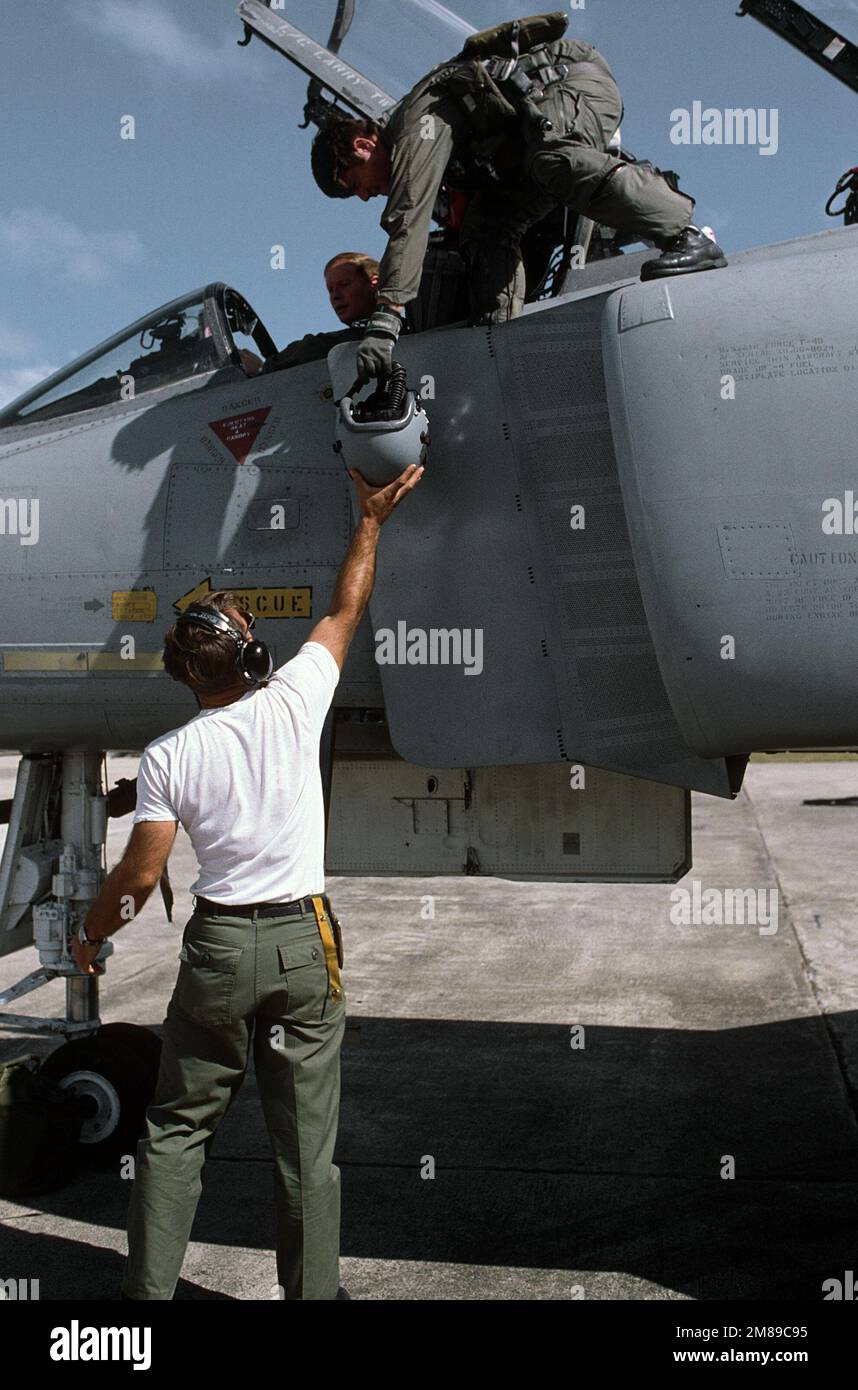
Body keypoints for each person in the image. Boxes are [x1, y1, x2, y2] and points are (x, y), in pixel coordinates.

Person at [70, 458, 425, 1300]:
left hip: (221, 949)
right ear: (253, 654)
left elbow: (141, 875)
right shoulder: (297, 697)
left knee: (175, 1133)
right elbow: (347, 606)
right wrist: (369, 521)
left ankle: (146, 1309)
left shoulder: (168, 756)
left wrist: (90, 938)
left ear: (183, 674)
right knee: (305, 1148)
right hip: (305, 942)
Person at [310, 23, 727, 387]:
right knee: (486, 226)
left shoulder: (419, 119)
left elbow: (410, 214)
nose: (364, 195)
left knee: (553, 160)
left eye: (354, 183)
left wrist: (385, 323)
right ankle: (501, 338)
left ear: (365, 145)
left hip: (573, 84)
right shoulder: (420, 136)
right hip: (529, 141)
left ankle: (685, 237)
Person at [240, 252, 380, 375]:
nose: (336, 296)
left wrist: (260, 370)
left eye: (344, 284)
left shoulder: (321, 347)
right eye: (330, 290)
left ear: (374, 283)